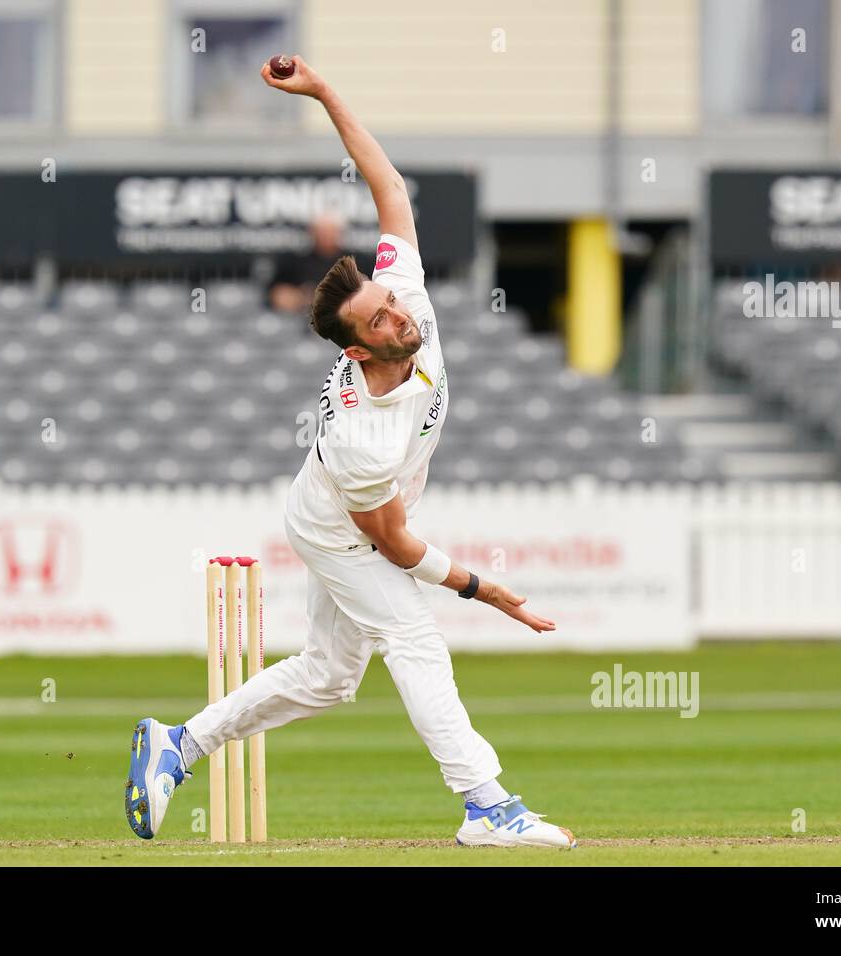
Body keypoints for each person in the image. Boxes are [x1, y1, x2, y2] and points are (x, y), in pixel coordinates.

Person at [127, 56, 576, 849]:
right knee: (414, 636)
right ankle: (486, 804)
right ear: (360, 354)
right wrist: (485, 589)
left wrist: (326, 93)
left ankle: (179, 743)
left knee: (330, 678)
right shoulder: (362, 435)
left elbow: (390, 190)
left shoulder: (410, 307)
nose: (399, 318)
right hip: (340, 527)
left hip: (356, 513)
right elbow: (395, 543)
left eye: (390, 303)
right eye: (378, 323)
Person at [268, 213, 345, 314]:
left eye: (330, 231)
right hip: (301, 318)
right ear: (312, 232)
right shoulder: (296, 261)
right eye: (321, 231)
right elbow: (275, 293)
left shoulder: (354, 262)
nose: (325, 236)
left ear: (339, 233)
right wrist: (297, 297)